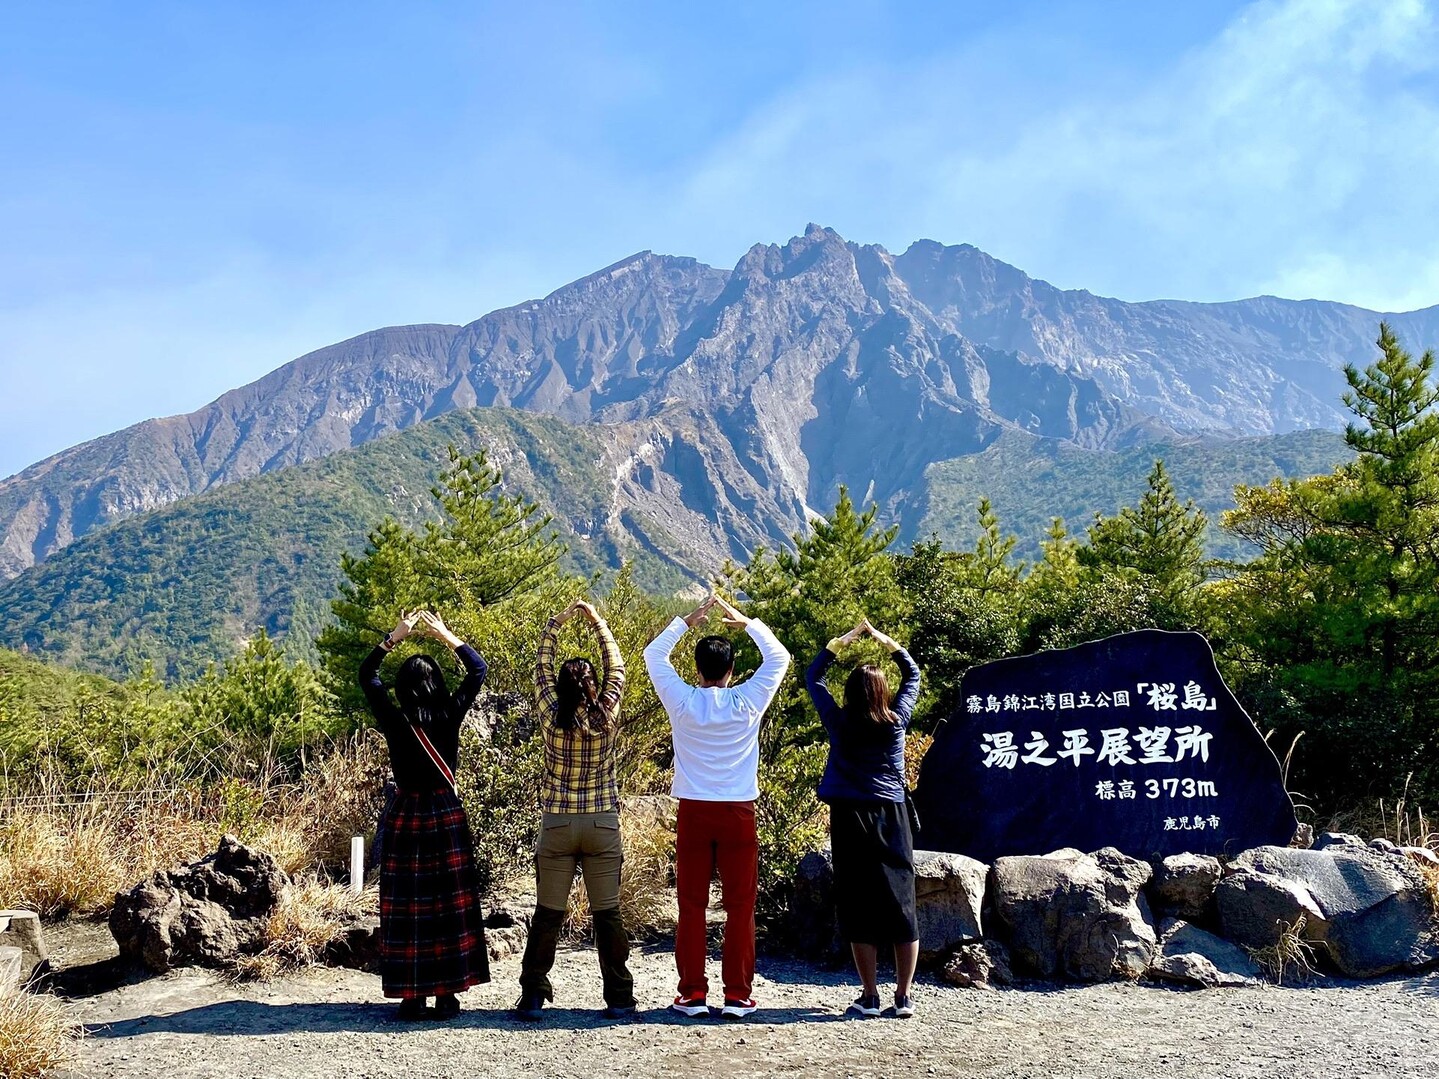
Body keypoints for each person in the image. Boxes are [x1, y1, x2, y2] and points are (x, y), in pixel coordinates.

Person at [643, 593, 790, 1020]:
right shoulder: (748, 701)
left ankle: (691, 994)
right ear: (732, 671)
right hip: (739, 812)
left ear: (696, 670)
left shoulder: (683, 701)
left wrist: (687, 621)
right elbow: (778, 656)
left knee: (691, 904)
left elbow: (654, 653)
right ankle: (738, 996)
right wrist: (747, 624)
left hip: (693, 810)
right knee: (740, 905)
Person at [359, 610, 491, 1020]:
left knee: (408, 907)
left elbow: (367, 676)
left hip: (406, 813)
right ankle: (448, 994)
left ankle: (411, 995)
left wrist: (393, 638)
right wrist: (448, 636)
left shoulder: (396, 720)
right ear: (437, 685)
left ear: (402, 687)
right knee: (449, 905)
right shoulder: (450, 712)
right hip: (445, 813)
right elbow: (478, 670)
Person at [516, 599, 637, 1021]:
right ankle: (619, 997)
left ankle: (533, 993)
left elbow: (541, 665)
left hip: (558, 822)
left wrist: (556, 623)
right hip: (602, 821)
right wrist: (598, 621)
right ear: (593, 685)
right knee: (608, 914)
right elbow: (617, 666)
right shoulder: (608, 715)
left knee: (548, 913)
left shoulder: (551, 715)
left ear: (561, 689)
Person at [806, 618, 922, 1020]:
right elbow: (914, 674)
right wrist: (890, 643)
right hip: (891, 813)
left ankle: (869, 996)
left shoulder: (839, 722)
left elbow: (813, 677)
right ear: (883, 693)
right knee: (901, 902)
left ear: (850, 694)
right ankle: (904, 997)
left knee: (858, 904)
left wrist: (841, 642)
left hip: (849, 815)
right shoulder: (897, 720)